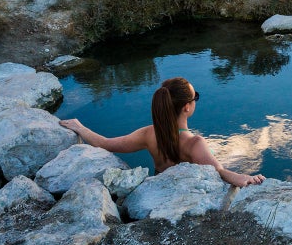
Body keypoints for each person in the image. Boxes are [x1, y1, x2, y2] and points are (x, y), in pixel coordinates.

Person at [60, 76, 265, 188]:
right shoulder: (194, 143)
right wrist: (242, 177)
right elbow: (220, 172)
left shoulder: (149, 134)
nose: (196, 101)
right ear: (187, 107)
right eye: (196, 98)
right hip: (184, 193)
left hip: (158, 187)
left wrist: (80, 127)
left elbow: (105, 143)